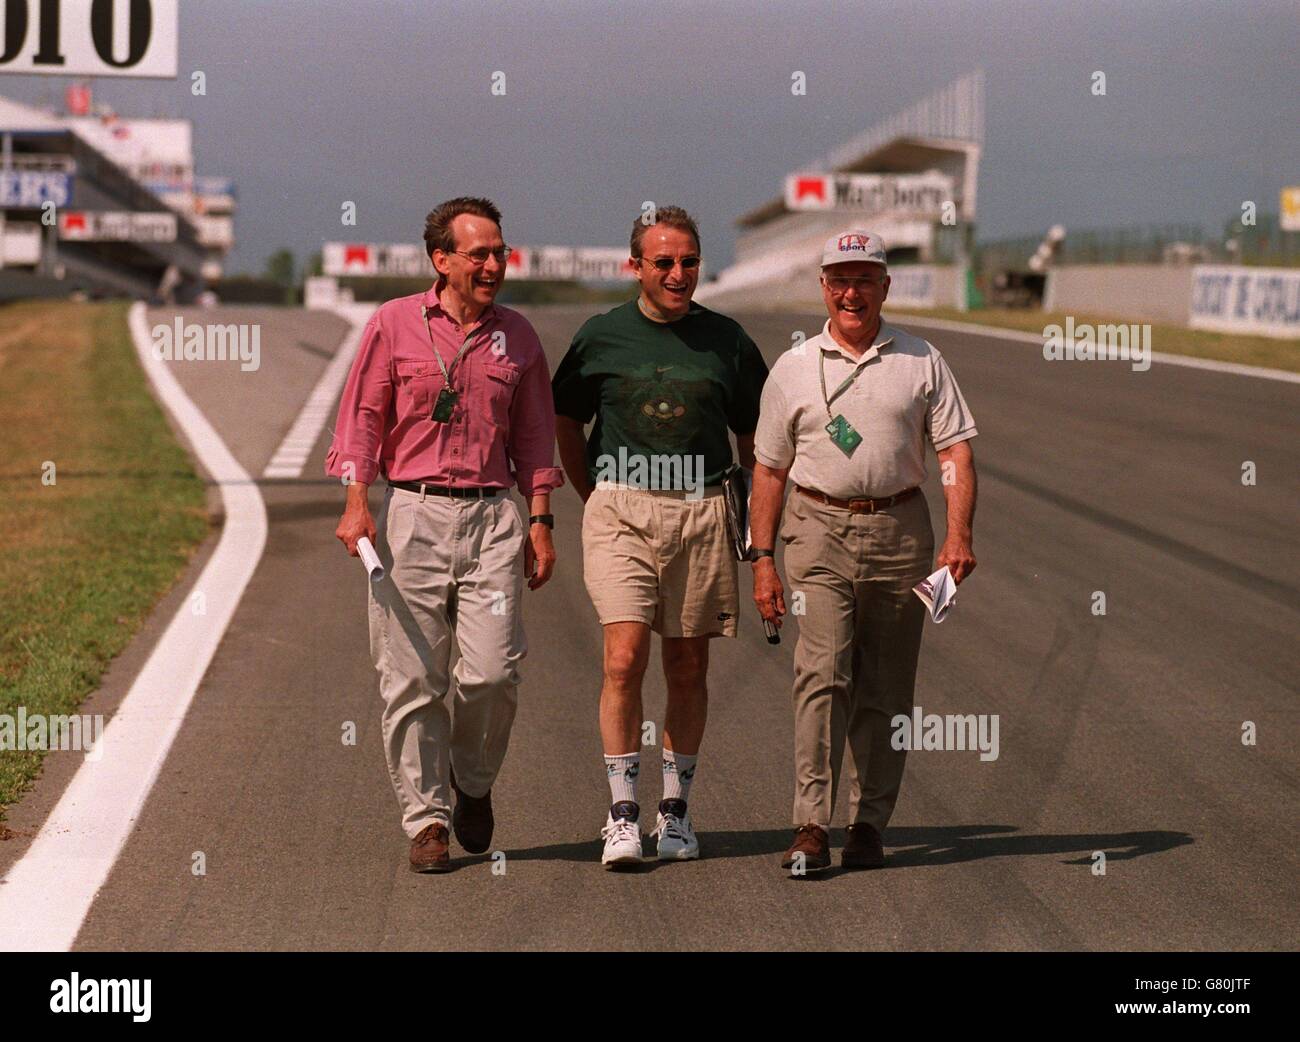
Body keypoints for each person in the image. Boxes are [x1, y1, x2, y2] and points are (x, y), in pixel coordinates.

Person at [327, 197, 564, 873]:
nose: (494, 265)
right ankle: (427, 819)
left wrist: (540, 521)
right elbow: (364, 416)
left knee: (492, 673)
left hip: (494, 517)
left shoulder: (517, 337)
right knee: (411, 678)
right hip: (412, 513)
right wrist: (356, 502)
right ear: (442, 260)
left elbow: (536, 435)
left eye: (500, 252)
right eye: (479, 254)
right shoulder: (394, 324)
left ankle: (474, 780)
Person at [748, 230, 979, 874]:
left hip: (902, 532)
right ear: (824, 287)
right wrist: (761, 557)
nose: (852, 292)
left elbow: (955, 452)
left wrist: (959, 534)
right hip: (816, 529)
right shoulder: (794, 366)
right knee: (822, 673)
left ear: (885, 285)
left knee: (885, 686)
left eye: (865, 279)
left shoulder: (921, 359)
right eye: (840, 279)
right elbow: (768, 469)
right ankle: (811, 824)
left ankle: (870, 822)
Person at [552, 206, 769, 867]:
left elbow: (755, 436)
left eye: (689, 262)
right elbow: (566, 416)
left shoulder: (726, 340)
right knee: (623, 659)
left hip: (702, 510)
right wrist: (593, 492)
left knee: (688, 666)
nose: (678, 274)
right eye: (664, 263)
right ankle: (622, 814)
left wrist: (755, 522)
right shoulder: (601, 336)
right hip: (621, 510)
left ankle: (674, 813)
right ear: (636, 267)